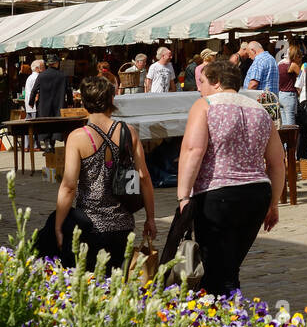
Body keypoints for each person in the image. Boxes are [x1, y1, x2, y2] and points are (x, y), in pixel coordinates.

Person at [175, 57, 284, 296]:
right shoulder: (260, 111)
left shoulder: (206, 105)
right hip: (256, 192)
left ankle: (222, 318)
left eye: (202, 81)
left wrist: (183, 195)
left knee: (215, 267)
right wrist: (273, 202)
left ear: (216, 82)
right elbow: (277, 162)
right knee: (230, 263)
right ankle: (228, 314)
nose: (199, 88)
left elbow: (193, 150)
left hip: (218, 192)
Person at [52, 75, 156, 272]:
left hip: (90, 225)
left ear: (83, 102)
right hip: (124, 225)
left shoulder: (77, 137)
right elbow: (144, 177)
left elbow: (68, 186)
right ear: (112, 100)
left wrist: (58, 226)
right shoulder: (128, 132)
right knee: (119, 285)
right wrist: (150, 218)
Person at [31, 55, 69, 145]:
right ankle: (52, 145)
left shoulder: (41, 76)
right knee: (56, 125)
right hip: (58, 104)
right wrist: (70, 102)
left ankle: (47, 145)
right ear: (56, 63)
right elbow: (69, 90)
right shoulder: (63, 75)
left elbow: (34, 90)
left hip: (44, 105)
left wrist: (31, 102)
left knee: (45, 125)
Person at [277, 45, 304, 127]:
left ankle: (285, 140)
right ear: (296, 56)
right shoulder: (292, 65)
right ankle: (291, 140)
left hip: (280, 94)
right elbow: (303, 77)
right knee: (291, 123)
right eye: (299, 57)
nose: (300, 59)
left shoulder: (280, 64)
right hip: (289, 95)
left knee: (284, 124)